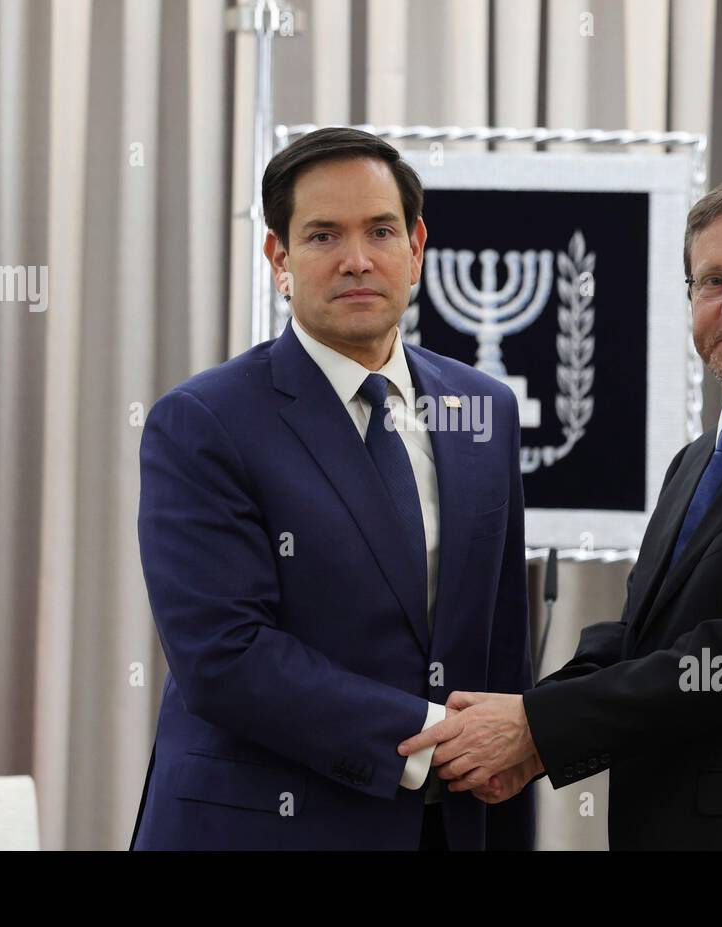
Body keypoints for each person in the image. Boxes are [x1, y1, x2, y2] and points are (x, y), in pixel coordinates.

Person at [401, 179, 722, 850]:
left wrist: (537, 725)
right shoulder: (697, 461)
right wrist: (532, 737)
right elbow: (644, 637)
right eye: (712, 283)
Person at [130, 127, 534, 850]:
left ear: (415, 247)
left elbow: (499, 646)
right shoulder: (203, 422)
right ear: (278, 258)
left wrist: (508, 768)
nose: (357, 260)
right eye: (323, 236)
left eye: (380, 230)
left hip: (448, 827)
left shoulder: (486, 409)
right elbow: (225, 655)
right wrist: (432, 736)